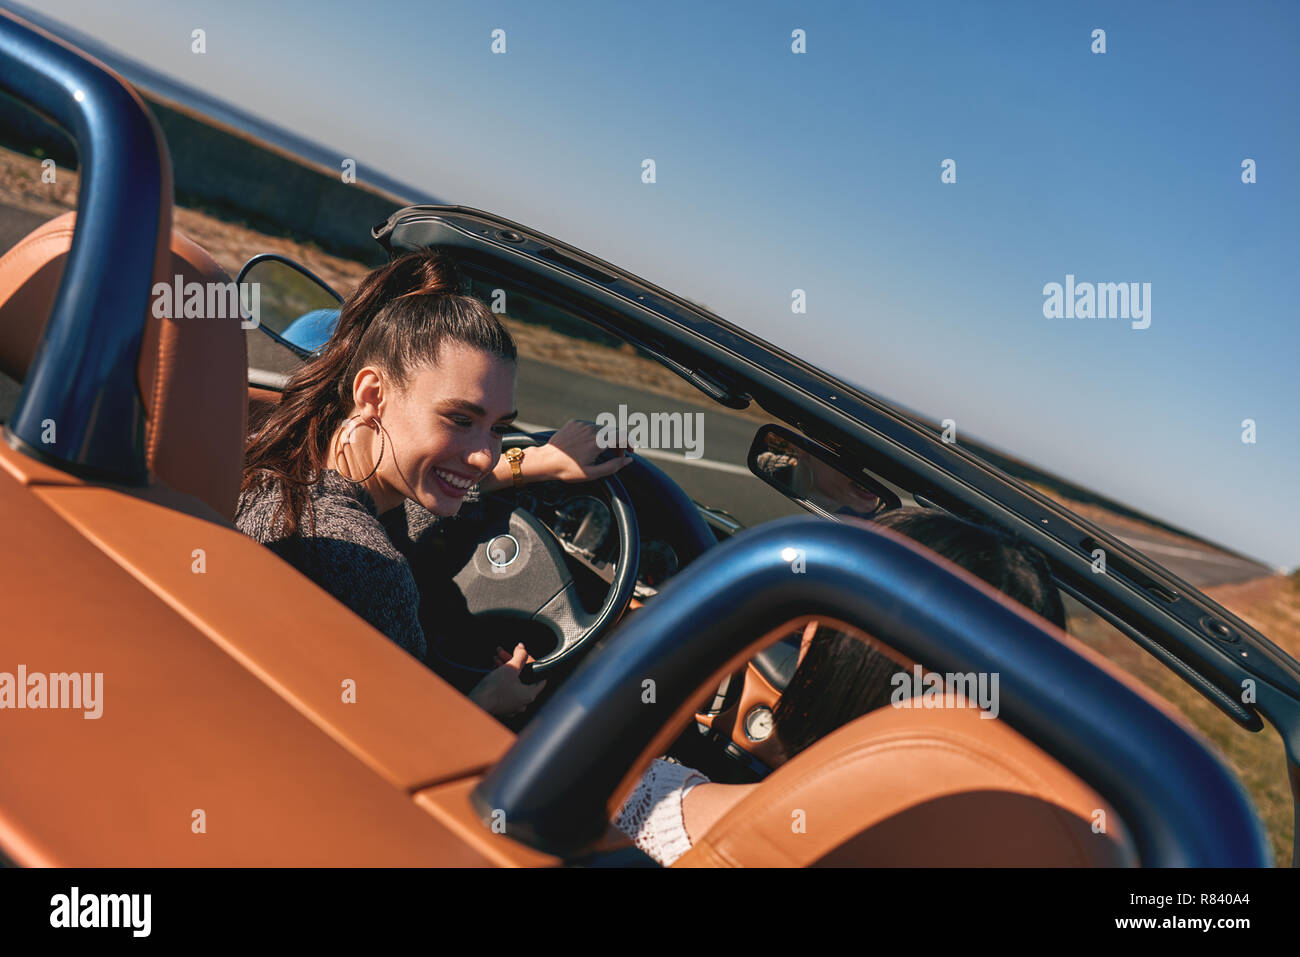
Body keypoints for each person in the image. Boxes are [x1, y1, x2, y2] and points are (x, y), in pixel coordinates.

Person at [236, 249, 632, 719]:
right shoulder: (369, 569)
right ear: (372, 395)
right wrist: (486, 703)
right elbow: (402, 748)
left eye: (499, 427)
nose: (485, 454)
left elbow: (427, 491)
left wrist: (540, 461)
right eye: (460, 418)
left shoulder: (282, 461)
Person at [611, 506, 1068, 865]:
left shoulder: (661, 815)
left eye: (825, 611)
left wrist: (542, 698)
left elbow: (567, 809)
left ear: (851, 660)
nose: (806, 627)